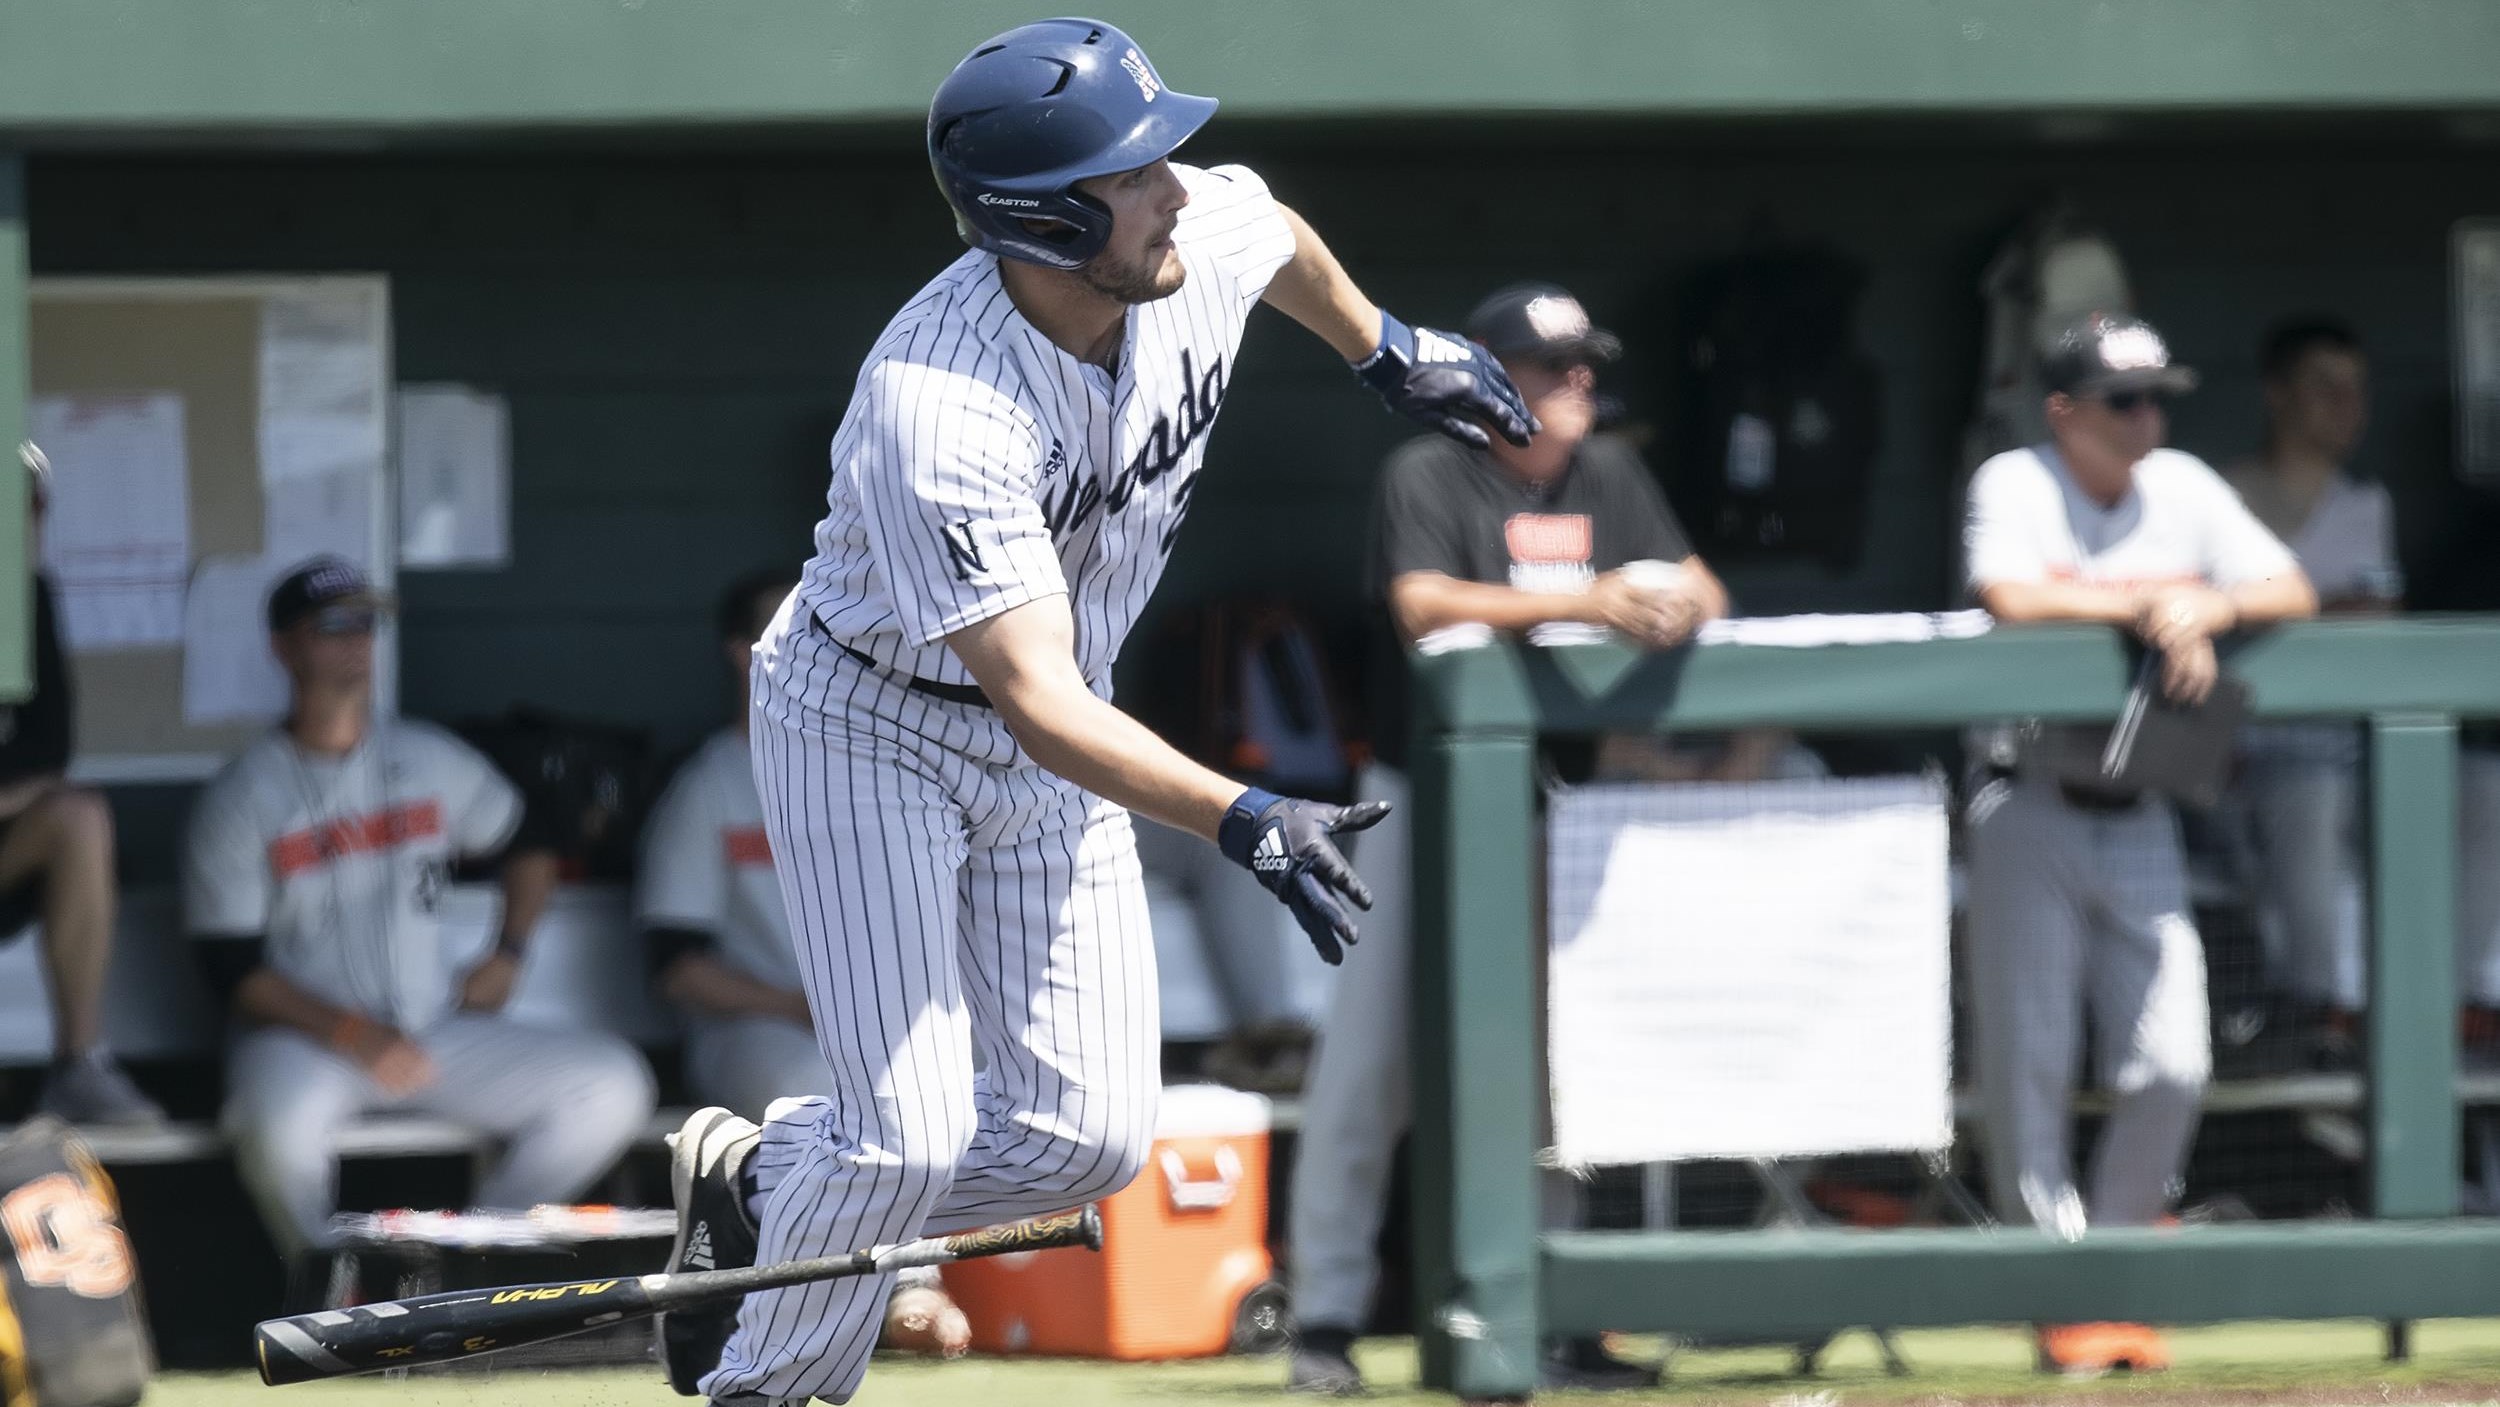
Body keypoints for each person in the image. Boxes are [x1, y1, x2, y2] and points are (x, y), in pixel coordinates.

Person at [655, 19, 1538, 1405]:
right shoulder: (933, 405)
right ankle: (767, 1383)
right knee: (902, 1138)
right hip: (870, 719)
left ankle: (768, 1179)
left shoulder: (1187, 247)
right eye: (1130, 173)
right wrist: (1240, 812)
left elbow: (1276, 225)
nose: (1172, 186)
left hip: (1058, 717)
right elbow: (1036, 699)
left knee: (1087, 1141)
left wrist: (1385, 347)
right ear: (1042, 217)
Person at [1286, 282, 1735, 1397]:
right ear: (1486, 370)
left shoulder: (1611, 473)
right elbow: (1425, 604)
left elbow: (1704, 588)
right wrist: (1589, 602)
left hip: (1553, 813)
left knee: (1554, 1072)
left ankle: (1552, 1314)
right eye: (1549, 365)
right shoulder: (1431, 469)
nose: (1576, 383)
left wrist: (1668, 603)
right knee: (1370, 1068)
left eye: (1584, 364)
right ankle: (1324, 1322)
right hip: (1415, 800)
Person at [1961, 313, 2317, 1374]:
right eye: (2125, 400)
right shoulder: (2015, 479)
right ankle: (2055, 1290)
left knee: (2172, 1059)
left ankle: (2110, 1268)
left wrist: (2205, 600)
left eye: (2159, 396)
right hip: (2025, 800)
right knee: (2027, 1062)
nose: (2148, 417)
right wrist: (2146, 606)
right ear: (2064, 409)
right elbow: (2007, 594)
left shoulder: (2186, 486)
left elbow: (2288, 587)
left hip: (2142, 805)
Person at [184, 556, 655, 1278]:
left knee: (612, 1082)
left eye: (364, 624)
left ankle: (468, 1255)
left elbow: (528, 842)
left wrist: (510, 950)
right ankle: (323, 1284)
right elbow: (231, 968)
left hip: (428, 1029)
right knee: (275, 1124)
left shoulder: (425, 756)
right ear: (283, 646)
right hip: (305, 1041)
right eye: (331, 625)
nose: (353, 642)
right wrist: (351, 1033)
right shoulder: (244, 794)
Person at [640, 569, 971, 1361]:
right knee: (844, 1094)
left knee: (956, 1082)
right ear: (741, 653)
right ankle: (902, 1289)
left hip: (872, 1022)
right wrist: (803, 1003)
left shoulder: (880, 766)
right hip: (754, 1030)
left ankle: (895, 1288)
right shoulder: (712, 783)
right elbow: (676, 966)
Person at [2219, 319, 2396, 1066]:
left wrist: (2279, 608)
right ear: (2277, 392)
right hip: (2226, 747)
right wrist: (2325, 607)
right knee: (2300, 792)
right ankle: (2303, 1012)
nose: (2346, 404)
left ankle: (2341, 1013)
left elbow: (2381, 621)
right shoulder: (2220, 494)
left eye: (2355, 388)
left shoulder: (2366, 504)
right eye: (2325, 386)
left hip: (2346, 749)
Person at [2, 443, 162, 1125]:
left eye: (33, 502)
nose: (25, 518)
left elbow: (50, 746)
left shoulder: (26, 597)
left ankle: (78, 1062)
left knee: (79, 816)